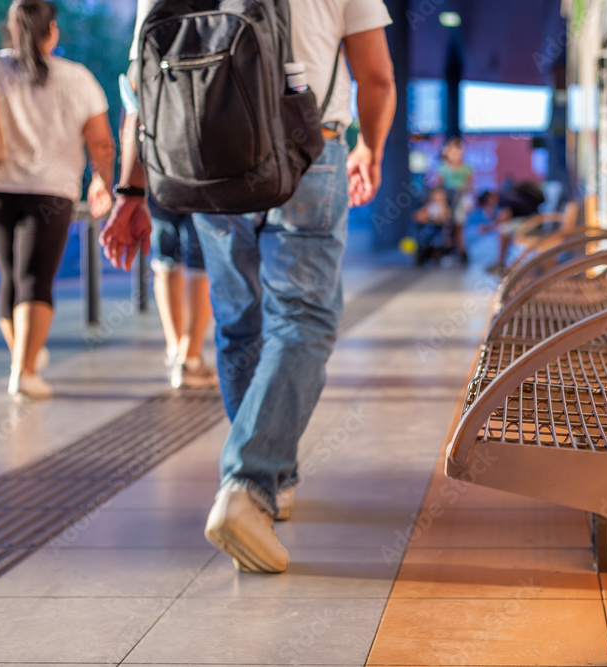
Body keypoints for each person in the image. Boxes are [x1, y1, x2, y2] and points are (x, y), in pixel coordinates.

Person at [102, 0, 396, 573]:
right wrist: (373, 148)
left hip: (210, 158)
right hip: (312, 151)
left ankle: (272, 477)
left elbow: (140, 91)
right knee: (303, 318)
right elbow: (377, 76)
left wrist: (131, 191)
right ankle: (250, 483)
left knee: (241, 323)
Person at [0, 0, 114, 400]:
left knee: (12, 277)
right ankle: (24, 370)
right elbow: (100, 142)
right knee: (35, 279)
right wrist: (101, 181)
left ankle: (22, 360)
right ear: (53, 31)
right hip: (54, 194)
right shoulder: (77, 77)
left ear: (10, 29)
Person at [117, 73, 217, 389]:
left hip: (159, 171)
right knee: (200, 264)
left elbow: (130, 124)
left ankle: (176, 349)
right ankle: (191, 356)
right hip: (206, 169)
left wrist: (129, 188)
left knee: (166, 258)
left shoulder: (143, 58)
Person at [435, 137, 474, 265]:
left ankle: (460, 249)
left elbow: (470, 187)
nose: (455, 156)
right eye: (453, 152)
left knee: (459, 225)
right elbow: (439, 187)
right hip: (447, 198)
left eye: (458, 152)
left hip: (461, 198)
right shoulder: (443, 169)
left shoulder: (467, 168)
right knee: (446, 225)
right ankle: (446, 249)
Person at [412, 186, 453, 266]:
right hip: (428, 228)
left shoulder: (444, 207)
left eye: (439, 196)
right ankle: (422, 255)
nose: (437, 198)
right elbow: (417, 216)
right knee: (423, 236)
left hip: (439, 229)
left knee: (439, 239)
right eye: (435, 196)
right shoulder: (428, 206)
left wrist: (438, 218)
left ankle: (438, 254)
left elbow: (446, 218)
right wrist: (429, 218)